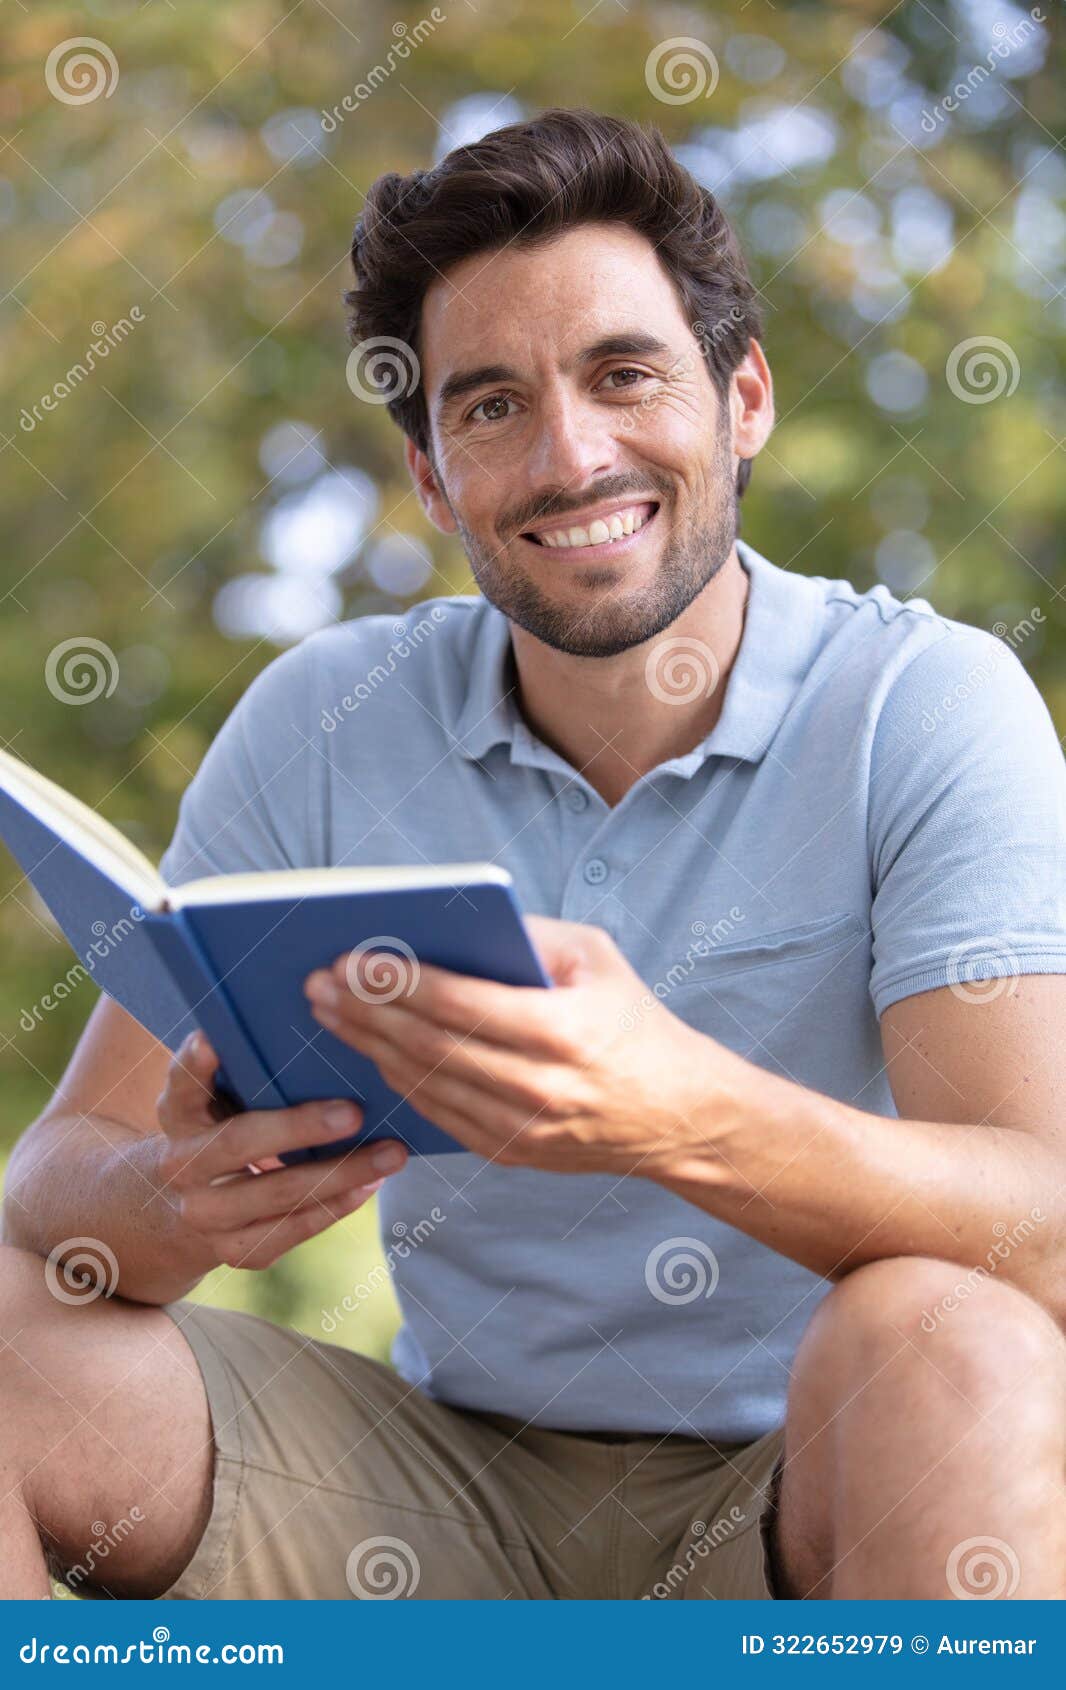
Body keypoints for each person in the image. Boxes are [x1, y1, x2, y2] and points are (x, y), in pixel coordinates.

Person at [2, 109, 1064, 1602]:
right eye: (489, 406)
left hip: (810, 1487)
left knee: (959, 1335)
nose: (570, 456)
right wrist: (170, 1204)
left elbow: (1042, 1225)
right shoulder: (323, 718)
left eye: (622, 374)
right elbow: (50, 1182)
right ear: (434, 481)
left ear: (743, 398)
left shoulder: (920, 704)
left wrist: (673, 1113)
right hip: (430, 1494)